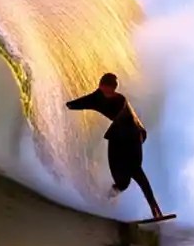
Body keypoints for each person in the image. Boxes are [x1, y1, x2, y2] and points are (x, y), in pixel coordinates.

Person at [66, 73, 164, 219]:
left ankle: (155, 210)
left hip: (133, 137)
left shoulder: (120, 101)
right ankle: (104, 200)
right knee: (122, 182)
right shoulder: (97, 97)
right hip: (117, 139)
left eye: (113, 89)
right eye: (108, 88)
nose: (111, 92)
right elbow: (79, 103)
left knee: (136, 172)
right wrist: (67, 105)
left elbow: (127, 120)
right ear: (101, 85)